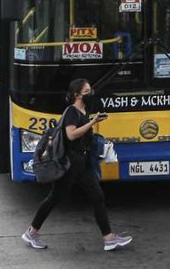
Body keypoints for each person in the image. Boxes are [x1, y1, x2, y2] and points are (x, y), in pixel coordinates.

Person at [23, 79, 132, 251]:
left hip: (83, 162)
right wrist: (92, 122)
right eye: (87, 92)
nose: (91, 94)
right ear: (77, 95)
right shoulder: (72, 112)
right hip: (70, 164)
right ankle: (31, 232)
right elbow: (71, 134)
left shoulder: (84, 110)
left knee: (97, 196)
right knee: (54, 197)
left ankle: (109, 238)